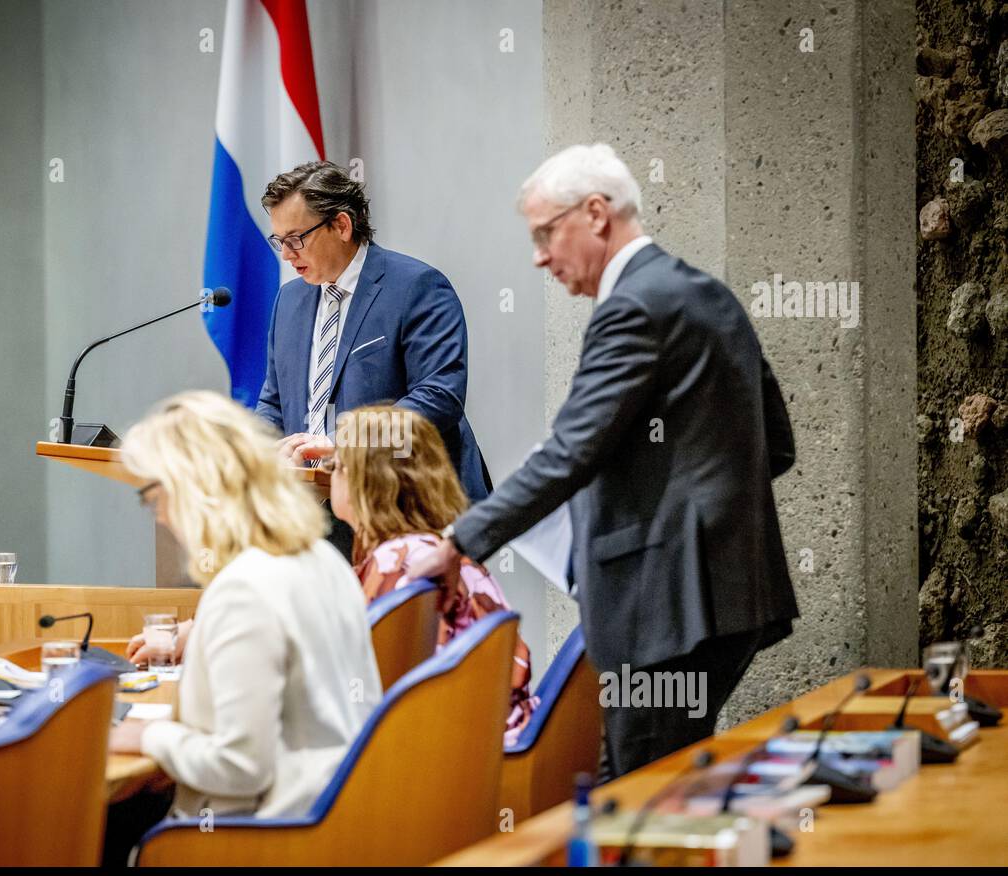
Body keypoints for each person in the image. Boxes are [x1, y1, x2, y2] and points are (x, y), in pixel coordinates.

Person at [408, 143, 800, 780]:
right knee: (668, 782)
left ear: (596, 213)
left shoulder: (633, 307)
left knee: (640, 795)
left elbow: (570, 453)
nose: (539, 257)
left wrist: (459, 541)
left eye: (544, 233)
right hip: (730, 598)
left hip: (667, 605)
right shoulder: (704, 292)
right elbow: (775, 445)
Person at [105, 390, 381, 863]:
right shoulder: (323, 559)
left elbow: (240, 766)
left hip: (262, 839)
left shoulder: (244, 588)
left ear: (190, 491)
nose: (162, 516)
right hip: (338, 824)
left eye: (154, 497)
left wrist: (147, 737)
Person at [254, 160, 491, 555]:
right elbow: (274, 402)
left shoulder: (416, 286)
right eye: (279, 241)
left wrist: (346, 447)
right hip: (317, 517)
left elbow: (438, 398)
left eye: (296, 239)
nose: (286, 255)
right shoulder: (289, 300)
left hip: (407, 511)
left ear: (342, 226)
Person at [325, 404, 537, 745]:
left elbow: (364, 692)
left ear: (367, 481)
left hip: (450, 753)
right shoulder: (439, 552)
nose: (328, 475)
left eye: (335, 466)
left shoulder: (397, 563)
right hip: (494, 743)